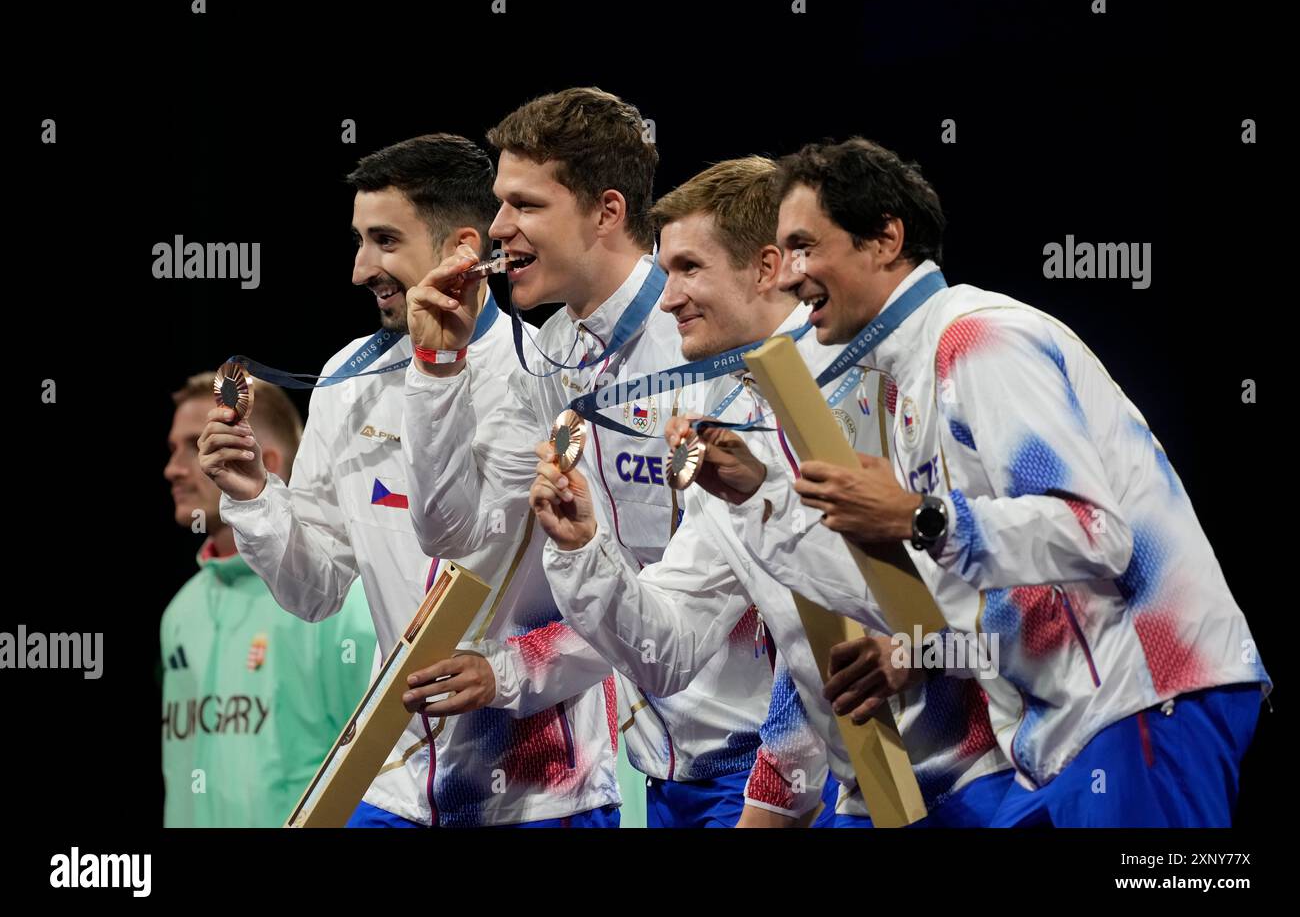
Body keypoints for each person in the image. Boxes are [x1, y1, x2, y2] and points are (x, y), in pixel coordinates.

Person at [727, 136, 1271, 825]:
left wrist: (917, 517)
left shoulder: (978, 339)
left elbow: (1095, 535)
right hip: (1063, 736)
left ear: (885, 238)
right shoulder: (903, 385)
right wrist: (915, 649)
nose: (788, 276)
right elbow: (998, 600)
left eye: (805, 246)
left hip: (1145, 694)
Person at [531, 156, 1013, 827]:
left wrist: (773, 794)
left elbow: (982, 590)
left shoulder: (874, 382)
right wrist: (582, 549)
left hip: (988, 777)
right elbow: (667, 651)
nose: (666, 300)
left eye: (688, 269)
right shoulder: (724, 416)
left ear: (765, 269)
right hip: (865, 788)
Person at [202, 134, 620, 827]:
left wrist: (506, 674)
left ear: (461, 248)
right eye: (360, 240)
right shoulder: (348, 379)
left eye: (384, 240)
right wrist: (253, 497)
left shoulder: (551, 382)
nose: (361, 268)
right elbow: (312, 592)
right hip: (392, 785)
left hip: (540, 793)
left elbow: (618, 599)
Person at [403, 89, 781, 826]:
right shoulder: (550, 356)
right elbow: (457, 534)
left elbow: (696, 585)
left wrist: (514, 670)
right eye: (498, 204)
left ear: (606, 212)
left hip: (765, 759)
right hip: (659, 767)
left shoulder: (710, 342)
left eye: (524, 205)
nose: (497, 228)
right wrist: (437, 367)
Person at [163, 371, 374, 827]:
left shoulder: (342, 604)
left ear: (266, 462)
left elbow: (378, 767)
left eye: (197, 446)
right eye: (175, 449)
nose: (175, 469)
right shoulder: (179, 613)